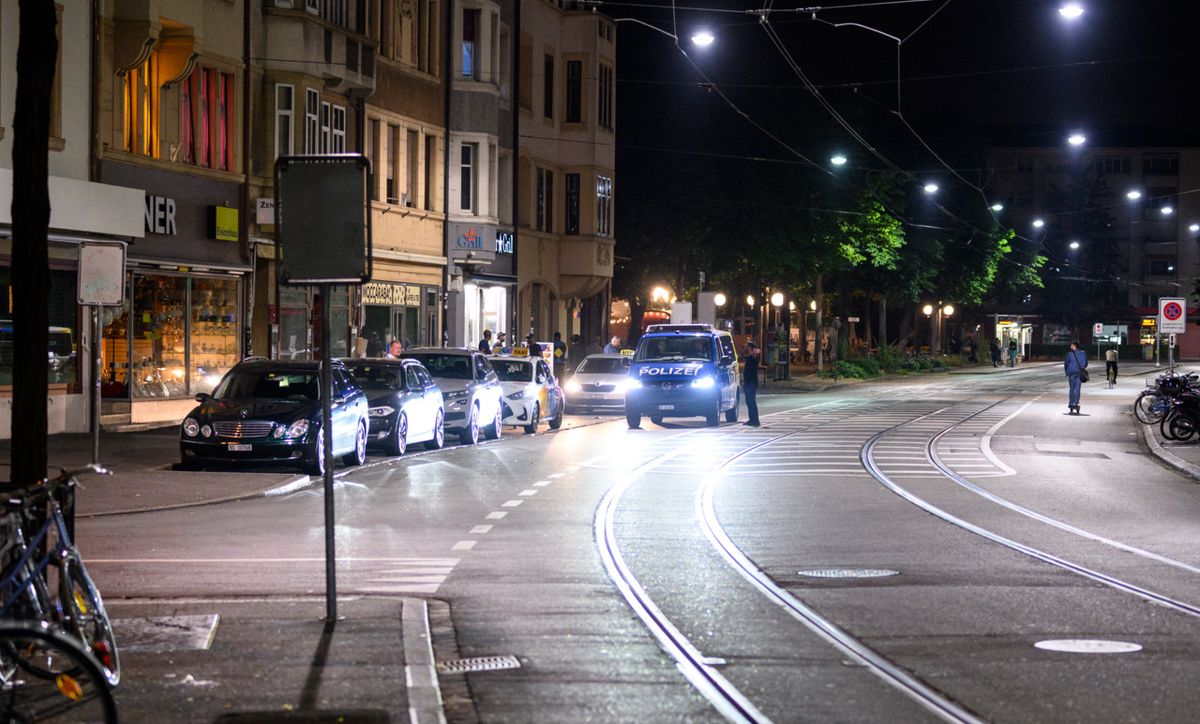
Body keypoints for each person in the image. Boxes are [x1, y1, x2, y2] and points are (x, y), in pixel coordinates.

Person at [1064, 340, 1087, 415]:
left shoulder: (1070, 354)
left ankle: (1071, 403)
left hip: (1072, 372)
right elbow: (1086, 363)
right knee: (1077, 388)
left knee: (1072, 388)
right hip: (1080, 372)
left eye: (1071, 345)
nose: (1070, 347)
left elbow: (1066, 363)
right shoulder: (1083, 353)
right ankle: (1076, 403)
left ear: (1074, 346)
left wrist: (1066, 371)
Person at [741, 341, 760, 427]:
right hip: (748, 382)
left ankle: (755, 420)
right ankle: (752, 419)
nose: (745, 347)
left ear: (751, 348)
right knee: (748, 401)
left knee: (751, 401)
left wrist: (755, 350)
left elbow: (756, 353)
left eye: (747, 346)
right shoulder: (749, 357)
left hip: (751, 383)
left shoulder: (753, 357)